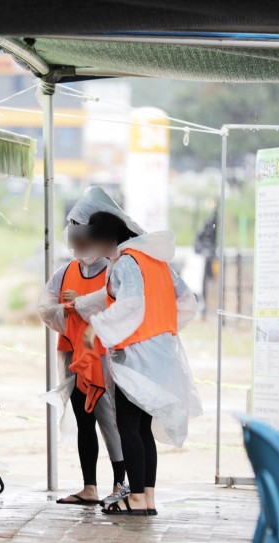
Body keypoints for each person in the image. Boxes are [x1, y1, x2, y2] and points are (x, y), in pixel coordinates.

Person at [77, 199, 202, 517]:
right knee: (143, 428)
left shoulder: (128, 262)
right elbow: (187, 300)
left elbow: (131, 303)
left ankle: (133, 498)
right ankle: (146, 497)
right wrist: (162, 331)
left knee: (129, 426)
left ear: (107, 239)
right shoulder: (155, 261)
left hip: (135, 355)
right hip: (161, 354)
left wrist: (98, 328)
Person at [39, 190, 126, 507]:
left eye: (84, 238)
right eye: (75, 238)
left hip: (106, 357)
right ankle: (89, 486)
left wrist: (81, 307)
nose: (79, 246)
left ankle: (121, 484)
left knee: (112, 421)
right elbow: (46, 309)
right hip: (75, 356)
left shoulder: (116, 271)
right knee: (83, 418)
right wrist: (65, 312)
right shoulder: (64, 273)